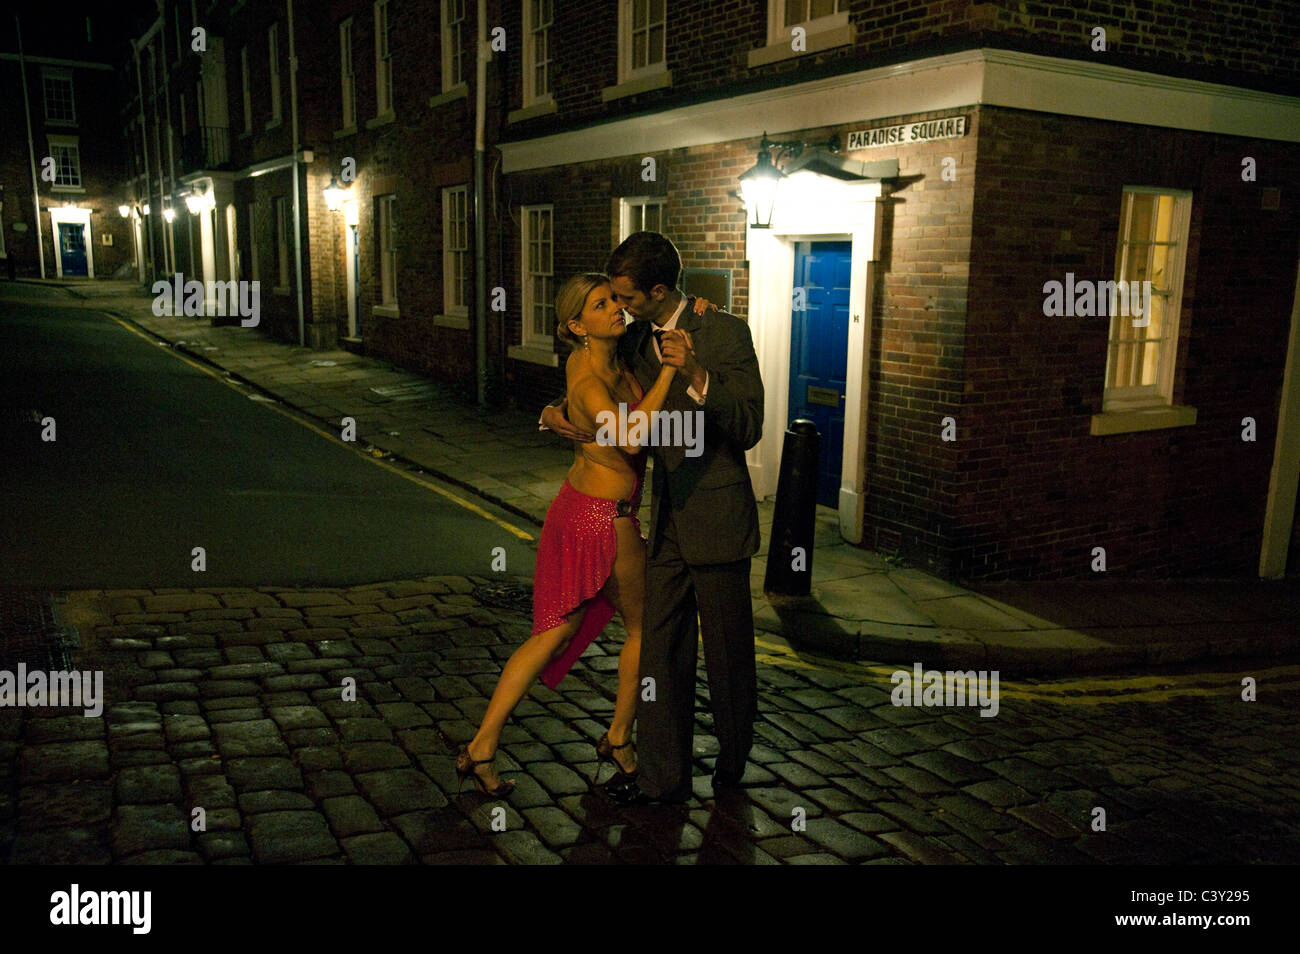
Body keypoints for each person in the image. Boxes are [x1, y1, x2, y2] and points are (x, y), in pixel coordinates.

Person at [456, 272, 712, 796]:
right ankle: (617, 737)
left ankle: (483, 746)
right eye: (601, 305)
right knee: (637, 629)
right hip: (602, 517)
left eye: (616, 300)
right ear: (577, 324)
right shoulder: (590, 380)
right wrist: (668, 373)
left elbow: (579, 405)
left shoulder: (597, 359)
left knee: (556, 632)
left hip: (582, 507)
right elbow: (633, 439)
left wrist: (551, 413)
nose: (616, 309)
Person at [541, 232, 764, 805]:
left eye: (625, 297)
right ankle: (663, 779)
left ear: (657, 290)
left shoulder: (725, 331)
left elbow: (747, 427)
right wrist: (554, 412)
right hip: (662, 522)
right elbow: (590, 376)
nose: (619, 307)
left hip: (717, 518)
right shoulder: (635, 338)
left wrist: (695, 373)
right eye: (612, 299)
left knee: (727, 656)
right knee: (661, 652)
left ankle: (732, 765)